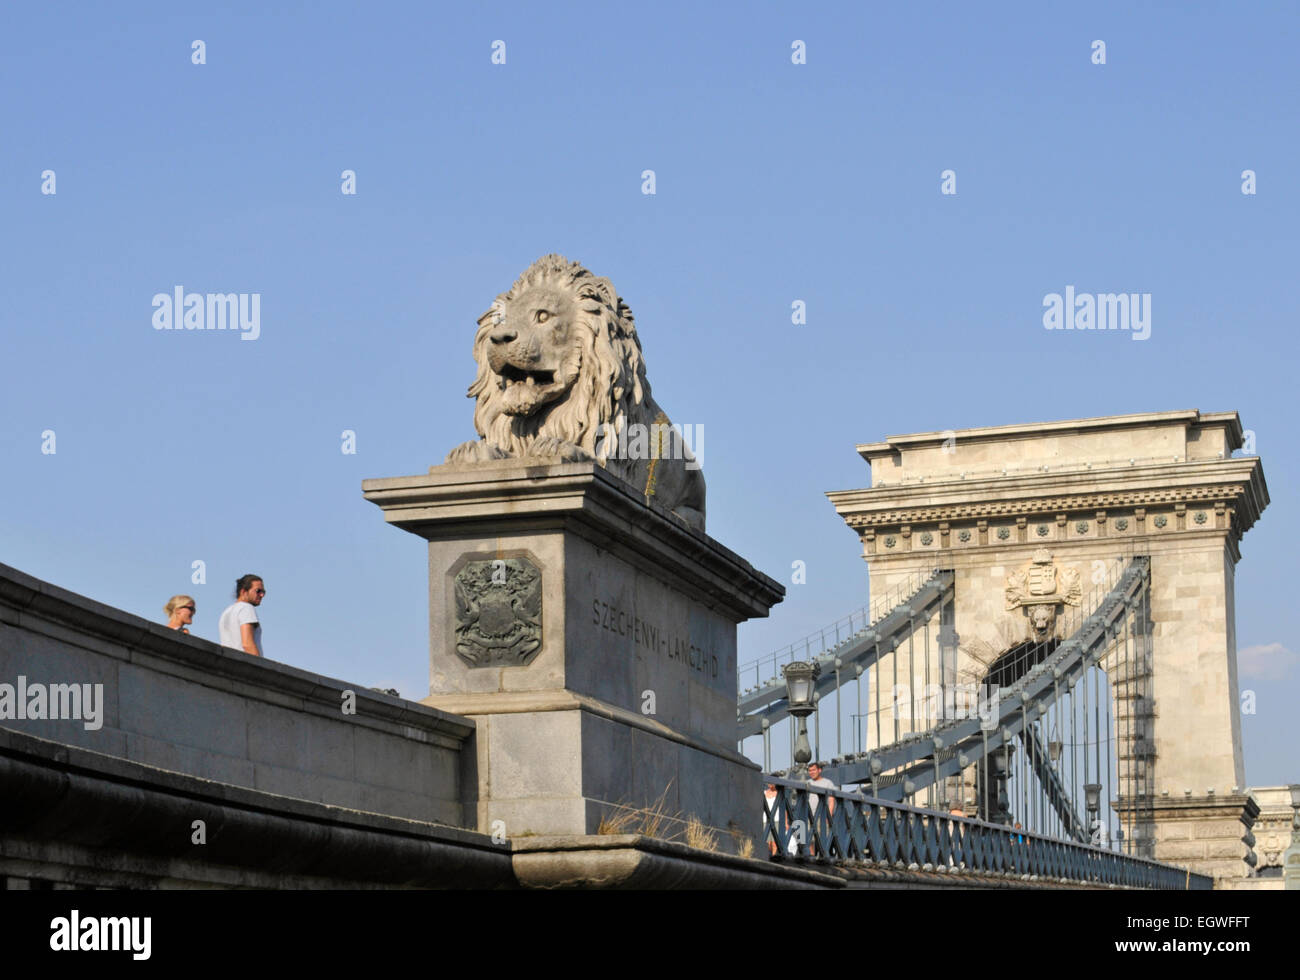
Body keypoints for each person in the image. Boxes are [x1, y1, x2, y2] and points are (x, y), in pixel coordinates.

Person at [219, 574, 266, 657]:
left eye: (263, 592)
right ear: (243, 592)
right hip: (245, 664)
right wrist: (259, 666)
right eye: (258, 591)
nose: (261, 595)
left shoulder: (227, 611)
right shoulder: (247, 608)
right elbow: (247, 644)